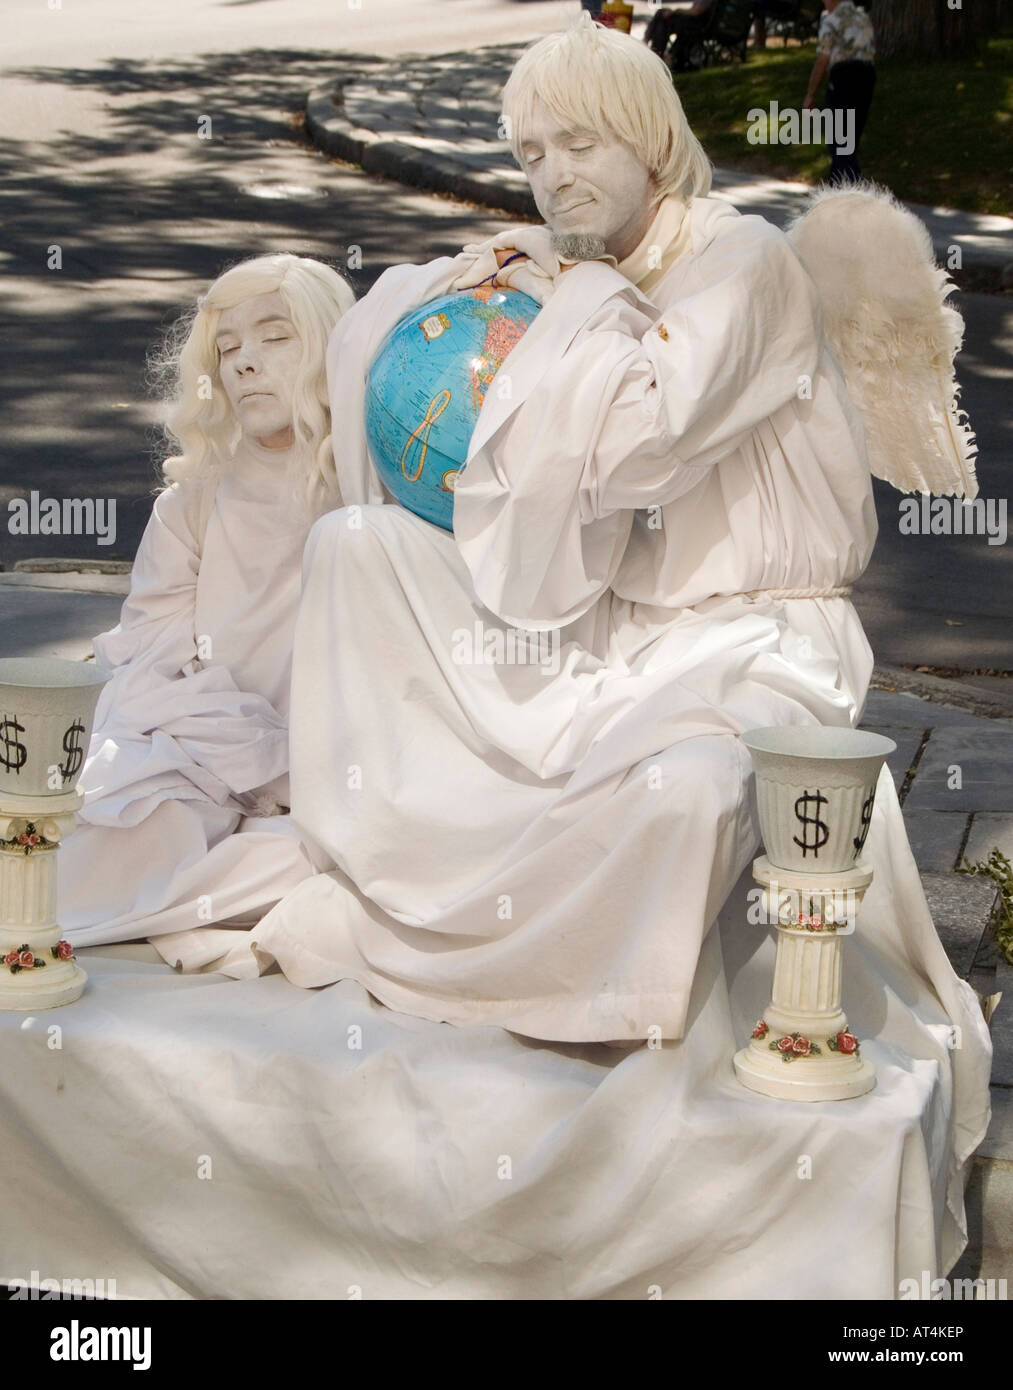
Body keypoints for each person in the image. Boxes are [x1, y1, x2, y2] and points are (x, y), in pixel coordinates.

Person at [166, 17, 989, 1293]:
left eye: (579, 142)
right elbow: (431, 393)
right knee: (359, 547)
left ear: (653, 135)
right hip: (601, 628)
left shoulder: (737, 265)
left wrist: (567, 303)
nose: (551, 177)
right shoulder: (572, 268)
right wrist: (463, 291)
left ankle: (560, 984)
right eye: (530, 152)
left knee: (677, 794)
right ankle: (385, 882)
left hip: (750, 635)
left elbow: (633, 448)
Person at [58, 254, 355, 965]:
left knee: (337, 856)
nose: (245, 362)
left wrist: (291, 770)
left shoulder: (371, 498)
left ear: (331, 346)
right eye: (228, 348)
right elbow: (148, 664)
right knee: (128, 818)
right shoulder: (192, 505)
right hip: (196, 762)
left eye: (275, 337)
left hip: (330, 775)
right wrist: (238, 752)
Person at [804, 0, 876, 183]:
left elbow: (822, 59)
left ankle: (854, 189)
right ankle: (836, 188)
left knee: (840, 142)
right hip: (867, 75)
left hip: (843, 77)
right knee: (850, 141)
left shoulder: (832, 20)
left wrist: (810, 93)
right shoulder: (863, 17)